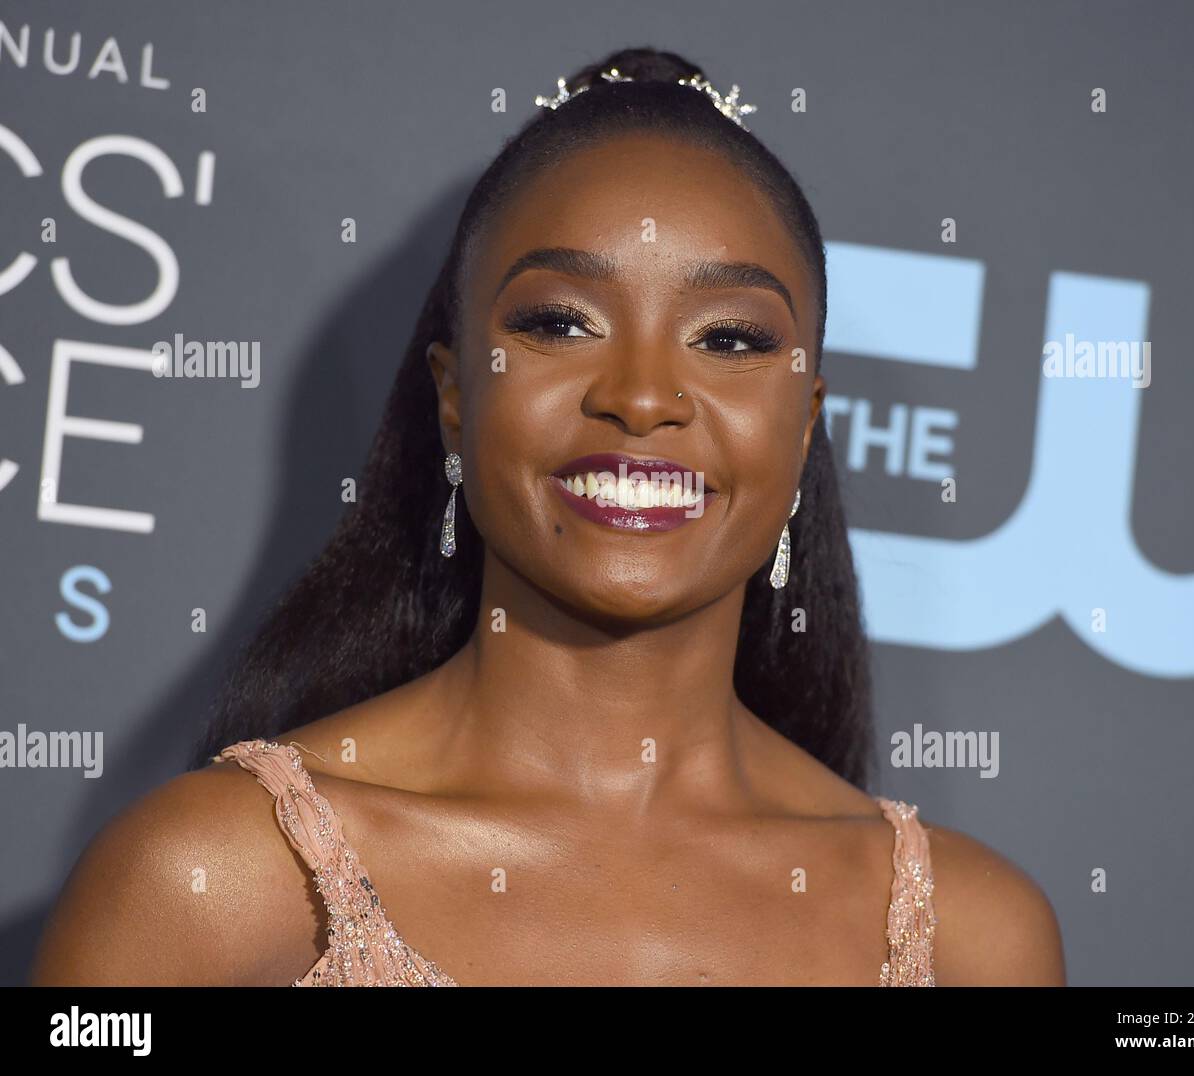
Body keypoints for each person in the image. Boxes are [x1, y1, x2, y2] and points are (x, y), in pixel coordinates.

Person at [30, 47, 1065, 987]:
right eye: (558, 321)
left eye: (732, 339)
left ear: (803, 425)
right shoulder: (209, 880)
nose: (643, 394)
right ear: (453, 395)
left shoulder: (977, 938)